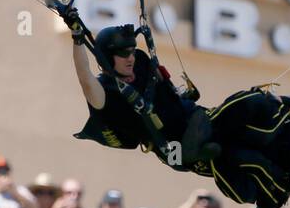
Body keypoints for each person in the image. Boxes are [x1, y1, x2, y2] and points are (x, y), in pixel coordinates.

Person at [61, 14, 213, 168]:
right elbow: (85, 77)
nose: (131, 58)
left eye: (132, 51)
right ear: (107, 57)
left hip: (191, 115)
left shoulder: (141, 61)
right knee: (213, 150)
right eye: (123, 53)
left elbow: (164, 85)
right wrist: (78, 37)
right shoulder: (105, 92)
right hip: (174, 147)